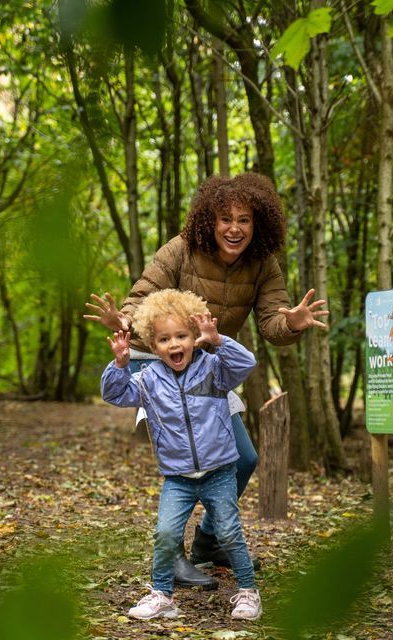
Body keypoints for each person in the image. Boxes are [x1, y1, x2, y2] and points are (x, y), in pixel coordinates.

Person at [84, 172, 328, 589]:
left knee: (243, 458)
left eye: (245, 220)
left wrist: (294, 324)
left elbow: (272, 323)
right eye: (225, 218)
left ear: (258, 224)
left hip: (206, 363)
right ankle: (173, 556)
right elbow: (140, 298)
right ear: (209, 221)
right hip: (155, 360)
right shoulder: (181, 250)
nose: (234, 228)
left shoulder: (263, 263)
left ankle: (210, 542)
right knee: (182, 459)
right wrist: (125, 321)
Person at [100, 289, 261, 620]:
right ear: (153, 344)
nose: (174, 345)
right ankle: (162, 595)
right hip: (177, 477)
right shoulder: (149, 380)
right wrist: (119, 364)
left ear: (194, 336)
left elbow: (246, 363)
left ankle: (248, 591)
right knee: (166, 534)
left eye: (181, 336)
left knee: (229, 531)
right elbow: (114, 393)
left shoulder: (213, 370)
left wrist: (217, 340)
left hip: (218, 472)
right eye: (163, 339)